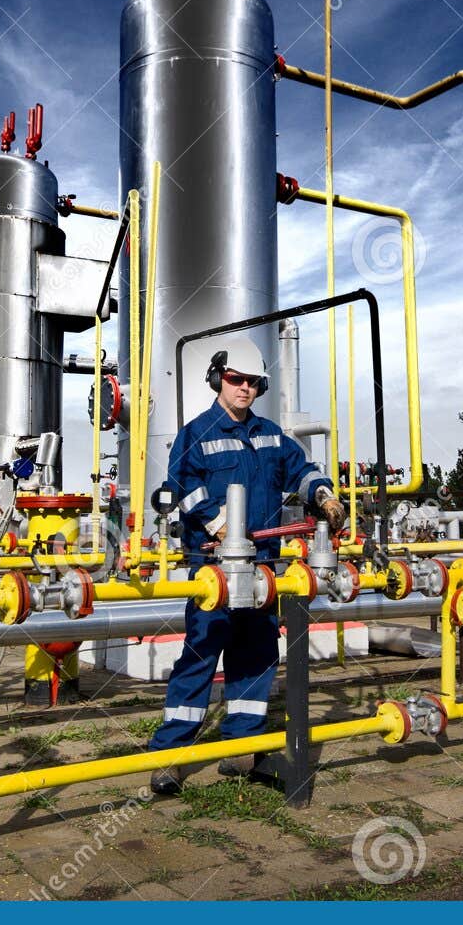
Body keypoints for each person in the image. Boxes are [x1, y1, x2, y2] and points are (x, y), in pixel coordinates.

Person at [147, 337, 346, 795]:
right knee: (200, 656)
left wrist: (323, 495)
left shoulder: (272, 435)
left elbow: (302, 470)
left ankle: (241, 748)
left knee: (256, 656)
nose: (244, 389)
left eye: (253, 382)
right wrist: (220, 527)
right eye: (236, 379)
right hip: (213, 570)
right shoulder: (196, 433)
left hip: (265, 570)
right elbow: (182, 485)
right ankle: (171, 756)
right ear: (219, 378)